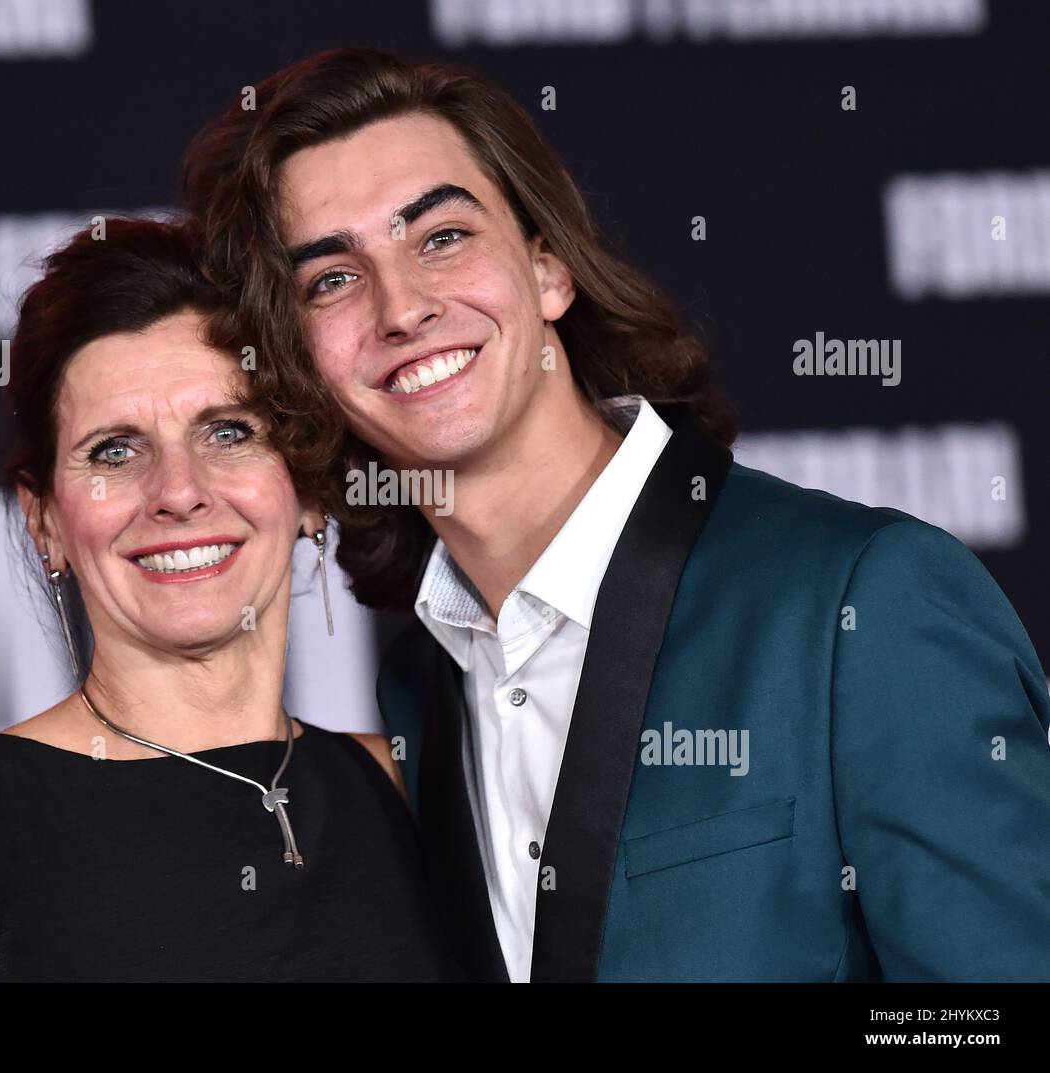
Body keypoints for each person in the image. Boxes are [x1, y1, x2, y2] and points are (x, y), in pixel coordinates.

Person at [179, 47, 1050, 982]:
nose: (402, 308)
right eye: (333, 280)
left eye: (441, 237)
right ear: (301, 361)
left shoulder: (862, 600)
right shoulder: (420, 689)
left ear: (550, 270)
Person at [0, 216, 459, 982]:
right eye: (115, 452)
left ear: (310, 487)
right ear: (43, 518)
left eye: (228, 432)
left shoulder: (409, 790)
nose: (177, 493)